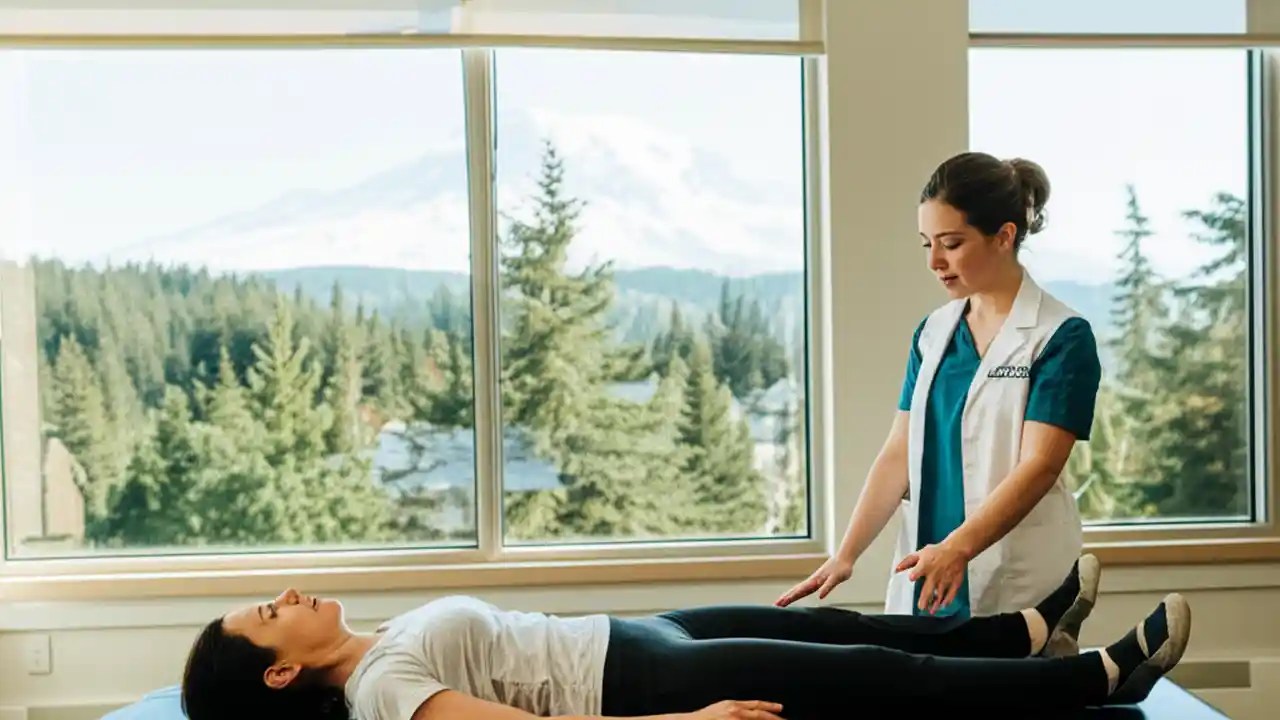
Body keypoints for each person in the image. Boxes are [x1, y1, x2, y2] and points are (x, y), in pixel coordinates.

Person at [180, 555, 1193, 720]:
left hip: (635, 635)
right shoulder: (382, 691)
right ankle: (1095, 681)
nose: (288, 595)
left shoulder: (381, 642)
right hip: (637, 681)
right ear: (280, 672)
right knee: (873, 673)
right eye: (271, 613)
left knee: (829, 623)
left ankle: (1025, 631)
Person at [777, 151, 1103, 620]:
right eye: (926, 243)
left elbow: (1039, 466)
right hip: (929, 567)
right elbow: (899, 452)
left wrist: (958, 548)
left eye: (951, 243)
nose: (934, 261)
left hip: (1012, 571)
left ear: (1004, 236)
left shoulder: (1061, 336)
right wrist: (846, 555)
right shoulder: (933, 333)